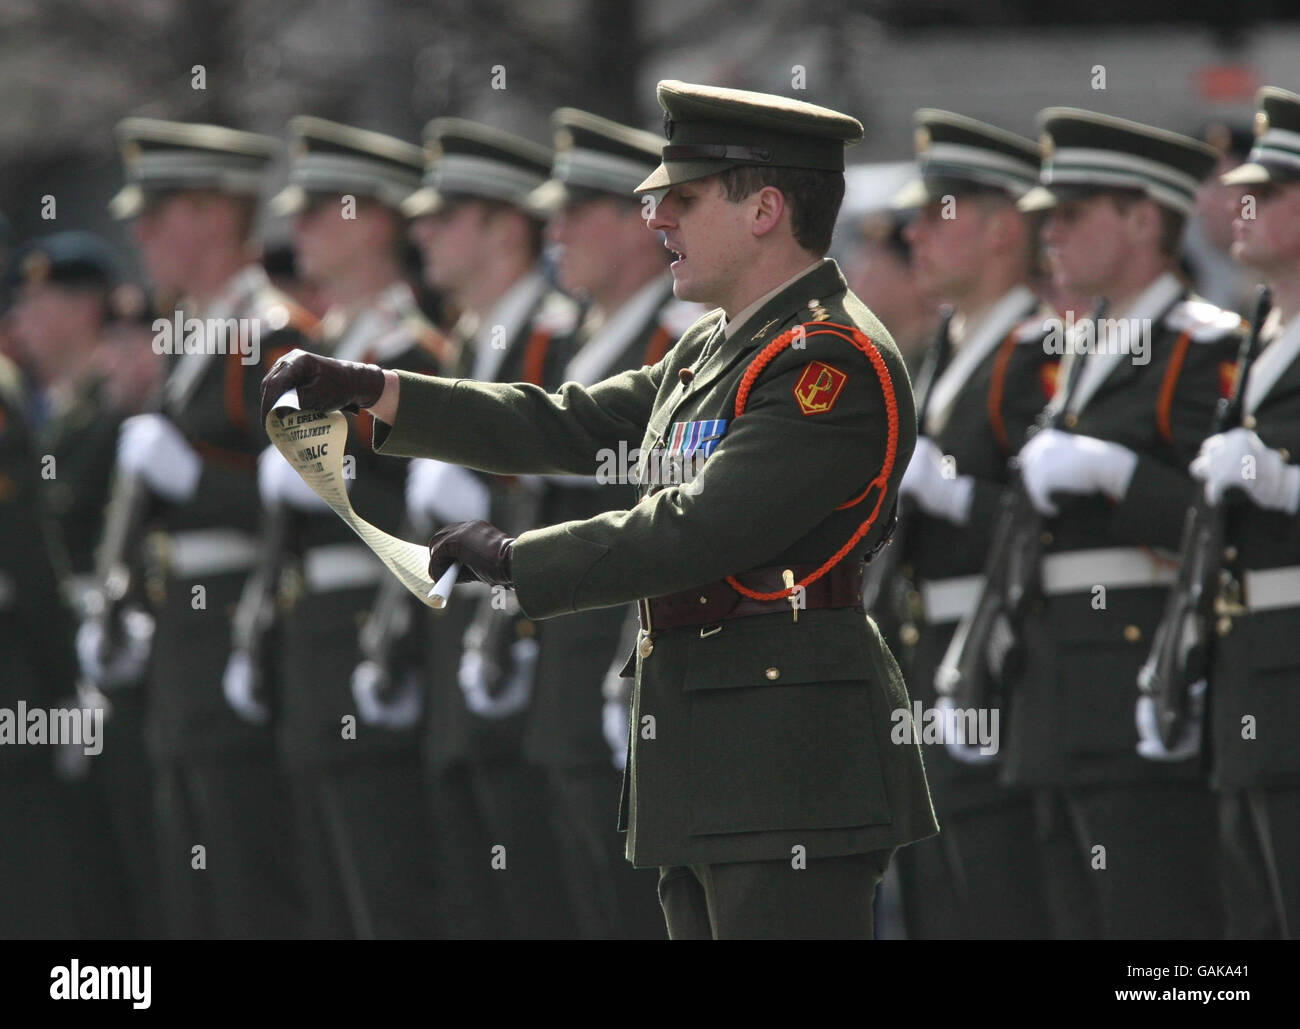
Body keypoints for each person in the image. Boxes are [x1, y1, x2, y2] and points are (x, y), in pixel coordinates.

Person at [263, 80, 938, 940]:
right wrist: (378, 394)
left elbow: (703, 525)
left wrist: (517, 560)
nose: (658, 218)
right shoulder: (714, 345)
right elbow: (568, 421)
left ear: (766, 208)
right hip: (708, 749)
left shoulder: (829, 360)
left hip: (788, 761)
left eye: (683, 198)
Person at [1003, 108, 1242, 939]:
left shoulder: (1200, 346)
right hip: (1058, 706)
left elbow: (1222, 526)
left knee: (1166, 948)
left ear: (1144, 218)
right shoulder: (1082, 350)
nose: (1050, 235)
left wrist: (1117, 472)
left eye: (1072, 214)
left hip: (1140, 694)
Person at [95, 117, 317, 938]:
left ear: (221, 217)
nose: (141, 232)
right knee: (198, 891)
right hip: (187, 644)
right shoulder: (199, 334)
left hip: (237, 630)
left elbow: (303, 487)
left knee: (251, 884)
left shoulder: (272, 333)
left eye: (163, 211)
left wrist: (199, 479)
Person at [241, 116, 449, 937]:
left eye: (323, 208)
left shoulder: (415, 354)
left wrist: (327, 471)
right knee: (330, 901)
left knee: (393, 895)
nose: (299, 229)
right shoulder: (321, 351)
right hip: (313, 646)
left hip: (373, 632)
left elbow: (425, 494)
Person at [521, 106, 701, 938]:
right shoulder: (570, 350)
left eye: (577, 210)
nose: (553, 230)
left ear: (639, 226)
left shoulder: (675, 348)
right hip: (562, 672)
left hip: (631, 672)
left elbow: (677, 521)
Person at [401, 117, 580, 938]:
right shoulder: (469, 343)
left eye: (446, 215)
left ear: (507, 224)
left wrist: (487, 486)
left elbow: (573, 480)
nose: (422, 231)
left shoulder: (554, 335)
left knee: (542, 899)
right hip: (462, 666)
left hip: (526, 648)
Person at [886, 110, 1055, 939]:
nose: (913, 233)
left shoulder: (1039, 349)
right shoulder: (940, 351)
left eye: (937, 212)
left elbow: (1058, 530)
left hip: (998, 669)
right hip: (926, 672)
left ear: (1000, 230)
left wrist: (954, 496)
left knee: (998, 901)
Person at [7, 231, 163, 937]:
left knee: (130, 861)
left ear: (81, 310)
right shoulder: (58, 410)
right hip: (67, 666)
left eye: (38, 303)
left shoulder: (116, 407)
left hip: (110, 668)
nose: (20, 321)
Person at [1187, 85, 1300, 939]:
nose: (1242, 202)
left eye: (1272, 188)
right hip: (1246, 672)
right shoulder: (1261, 330)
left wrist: (1286, 482)